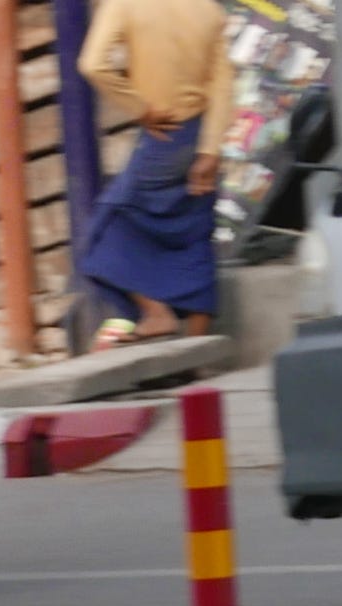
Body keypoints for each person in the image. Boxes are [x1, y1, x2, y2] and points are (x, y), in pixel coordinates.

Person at [76, 0, 237, 347]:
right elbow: (223, 82)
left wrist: (140, 109)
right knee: (193, 232)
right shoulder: (207, 8)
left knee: (110, 224)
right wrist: (210, 149)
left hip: (163, 133)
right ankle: (195, 353)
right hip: (199, 133)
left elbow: (92, 64)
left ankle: (156, 314)